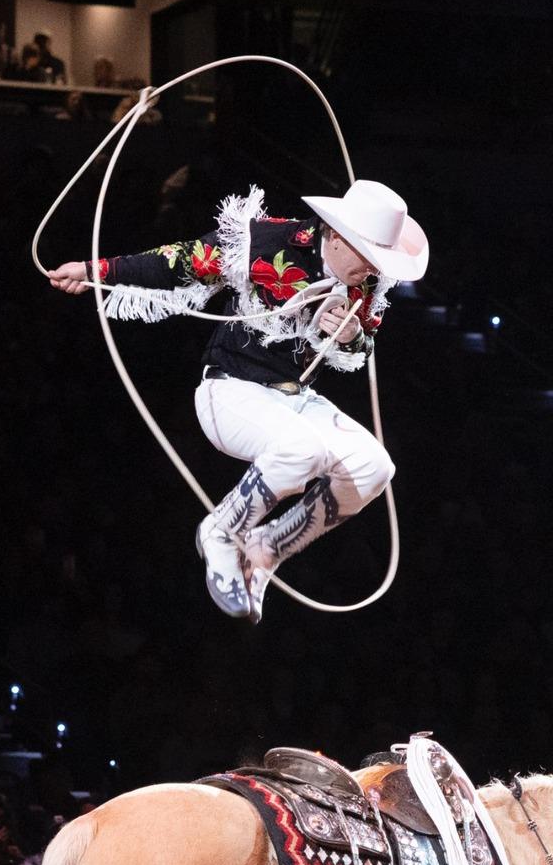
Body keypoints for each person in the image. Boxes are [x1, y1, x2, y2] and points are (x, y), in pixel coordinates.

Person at [46, 179, 429, 619]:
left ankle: (267, 548)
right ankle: (222, 532)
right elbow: (181, 261)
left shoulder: (368, 282)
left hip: (294, 399)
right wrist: (95, 271)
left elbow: (362, 349)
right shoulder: (267, 243)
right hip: (230, 390)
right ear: (339, 237)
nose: (376, 270)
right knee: (302, 449)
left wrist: (352, 336)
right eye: (371, 256)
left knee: (374, 465)